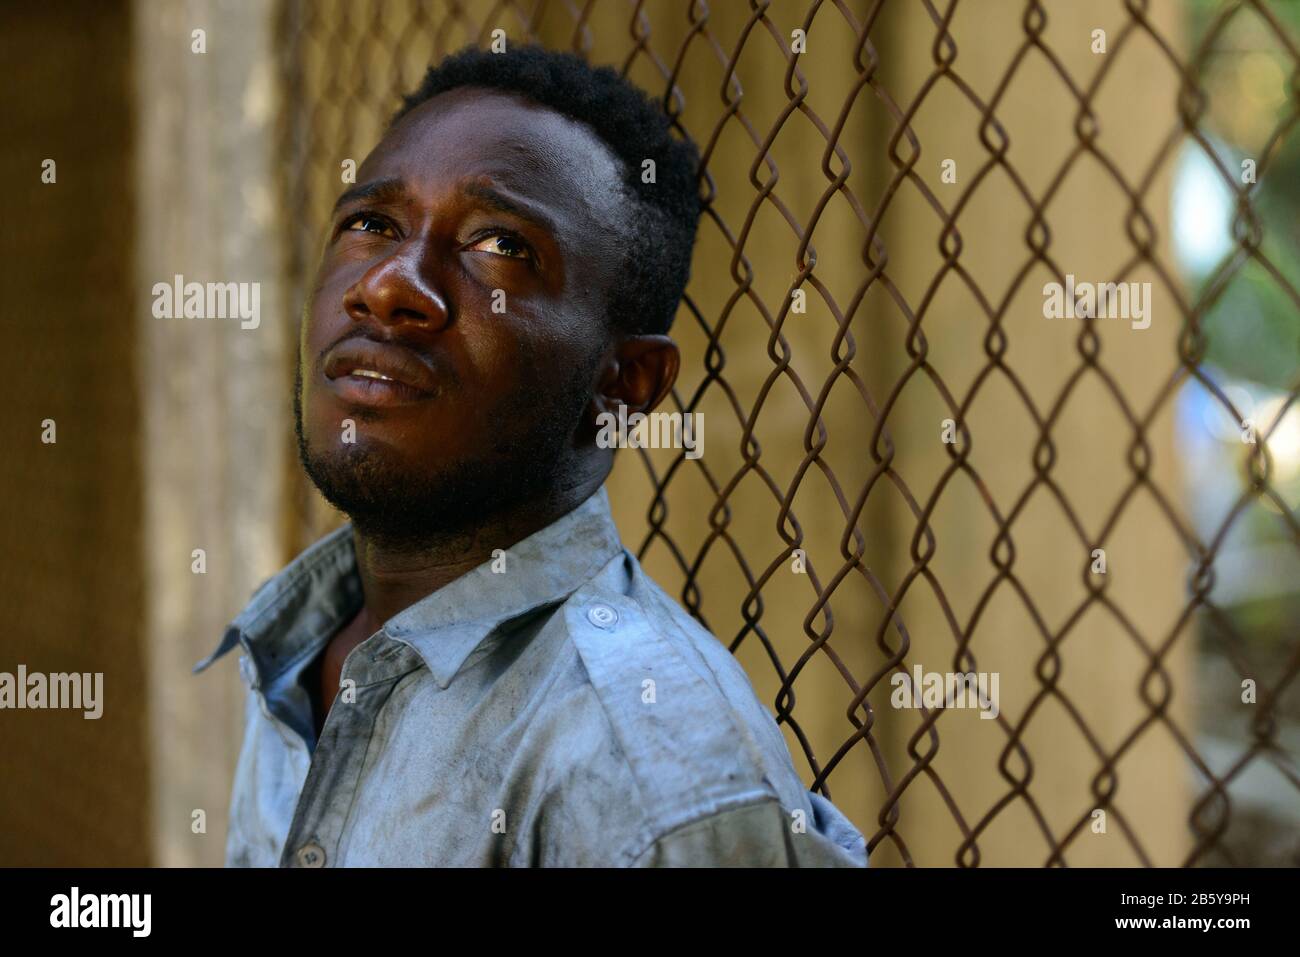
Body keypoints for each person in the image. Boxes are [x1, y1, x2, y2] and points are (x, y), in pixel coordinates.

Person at [195, 43, 868, 868]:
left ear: (621, 386)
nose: (390, 285)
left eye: (500, 247)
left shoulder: (644, 783)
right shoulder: (305, 639)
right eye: (371, 224)